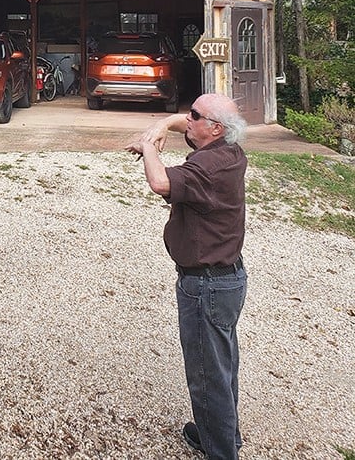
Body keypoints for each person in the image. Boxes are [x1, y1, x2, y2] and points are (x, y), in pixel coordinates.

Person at [129, 94, 248, 460]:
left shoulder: (207, 167)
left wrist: (149, 145)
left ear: (214, 128)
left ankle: (221, 451)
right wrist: (163, 124)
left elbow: (160, 183)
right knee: (222, 367)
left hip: (206, 285)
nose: (187, 119)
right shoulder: (229, 150)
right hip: (226, 279)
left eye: (195, 116)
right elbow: (186, 122)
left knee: (207, 376)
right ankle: (221, 433)